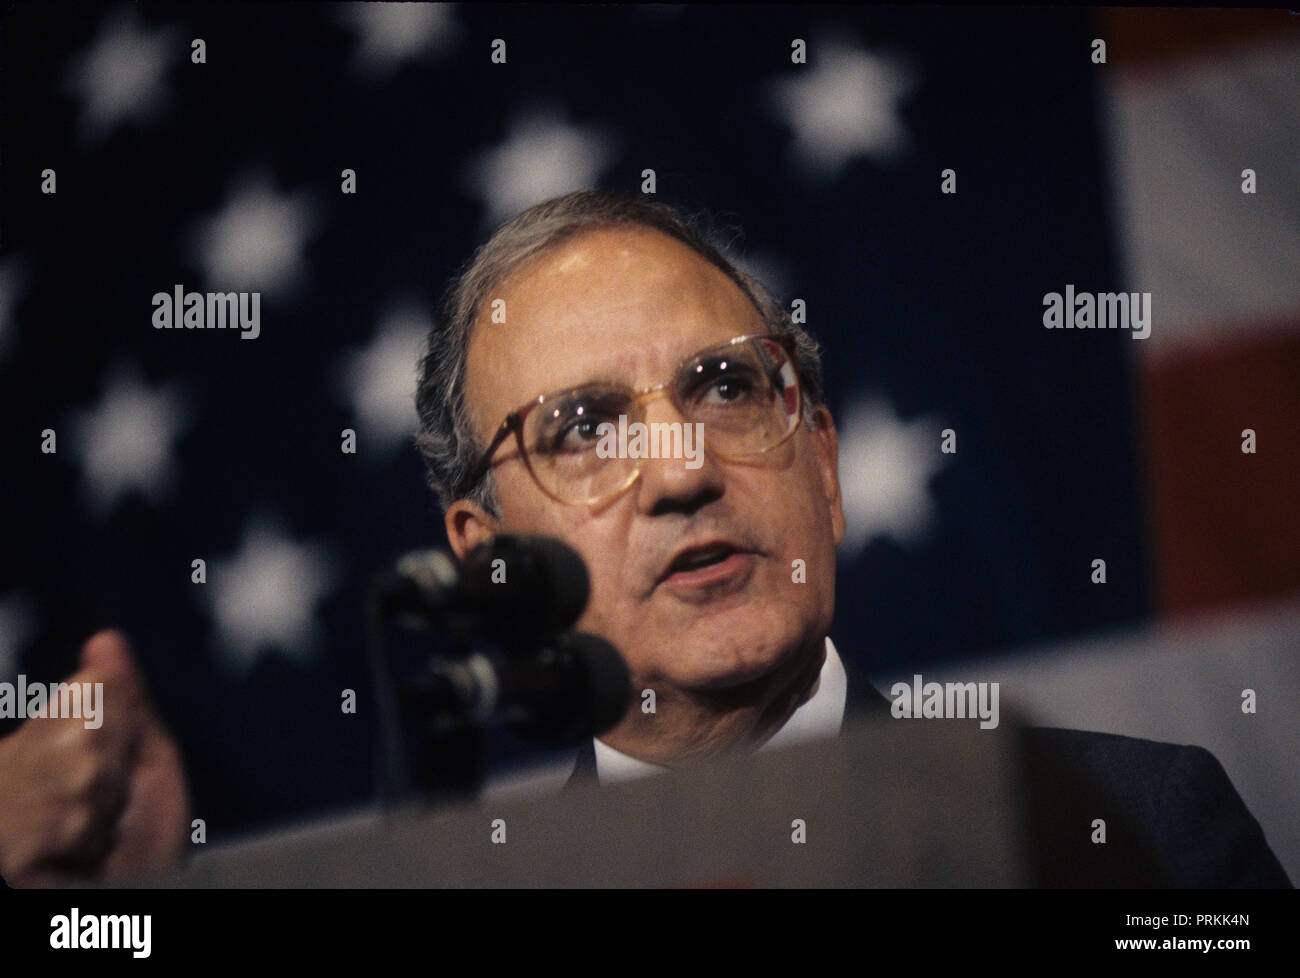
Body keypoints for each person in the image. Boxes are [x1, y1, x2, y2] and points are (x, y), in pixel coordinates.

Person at [0, 191, 1289, 887]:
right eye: (585, 426)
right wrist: (106, 924)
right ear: (485, 561)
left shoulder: (1144, 826)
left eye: (728, 388)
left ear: (823, 467)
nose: (680, 466)